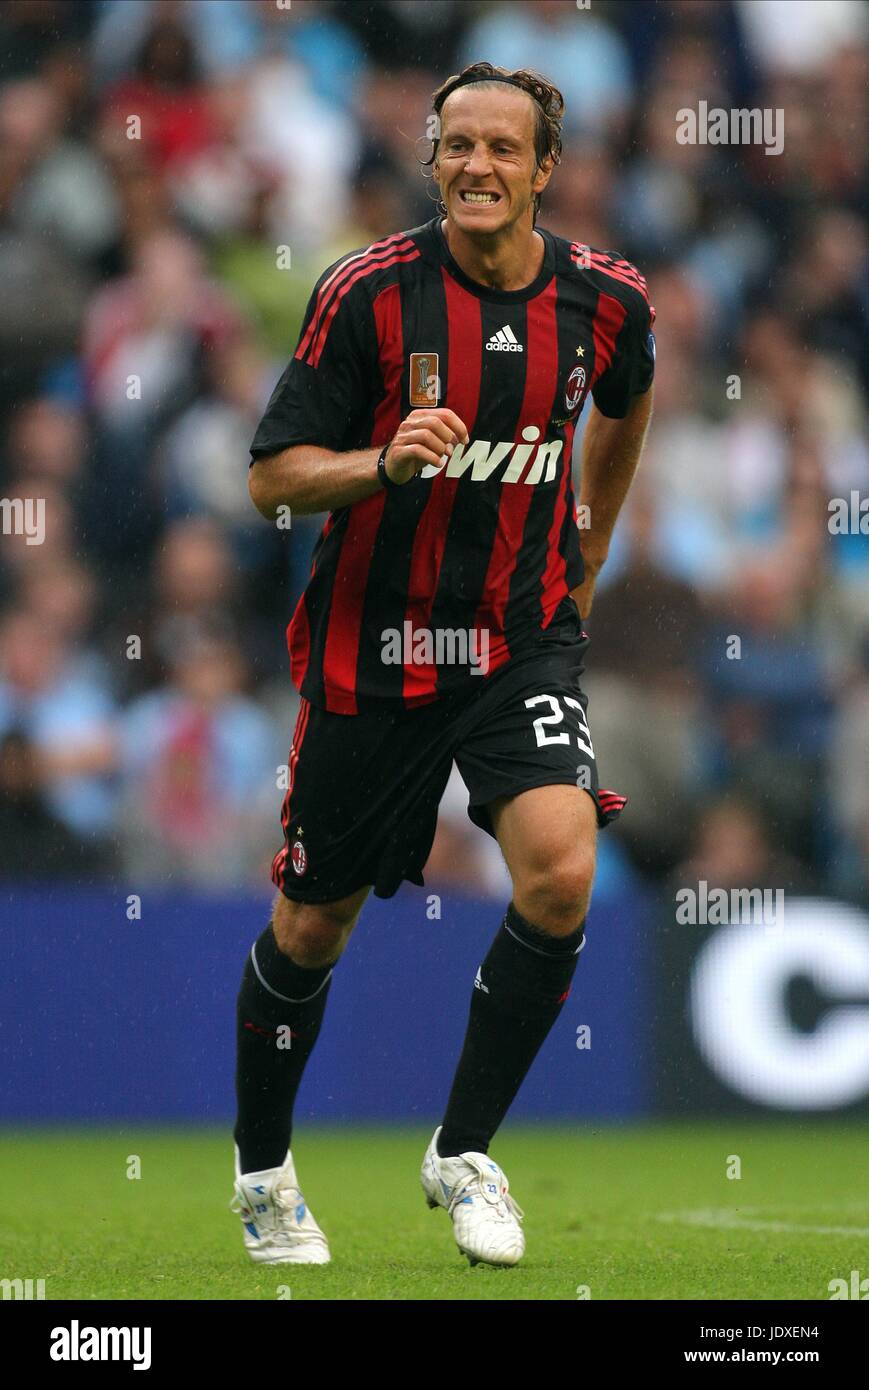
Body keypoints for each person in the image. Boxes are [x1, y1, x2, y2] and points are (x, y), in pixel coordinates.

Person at [232, 61, 655, 1269]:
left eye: (500, 148)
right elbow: (270, 474)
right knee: (312, 927)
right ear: (431, 160)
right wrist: (379, 463)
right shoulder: (366, 293)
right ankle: (263, 1176)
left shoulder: (605, 301)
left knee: (560, 875)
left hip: (516, 639)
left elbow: (625, 405)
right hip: (372, 649)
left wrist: (589, 547)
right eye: (454, 144)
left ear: (543, 170)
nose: (475, 165)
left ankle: (462, 1152)